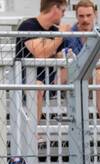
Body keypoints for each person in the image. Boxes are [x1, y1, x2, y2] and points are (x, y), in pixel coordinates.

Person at [16, 0, 71, 128]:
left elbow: (56, 55)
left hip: (50, 79)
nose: (63, 15)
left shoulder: (55, 31)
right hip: (26, 80)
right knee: (38, 86)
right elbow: (40, 53)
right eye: (62, 10)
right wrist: (60, 37)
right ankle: (33, 133)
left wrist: (65, 55)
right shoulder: (28, 26)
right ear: (54, 8)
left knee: (78, 74)